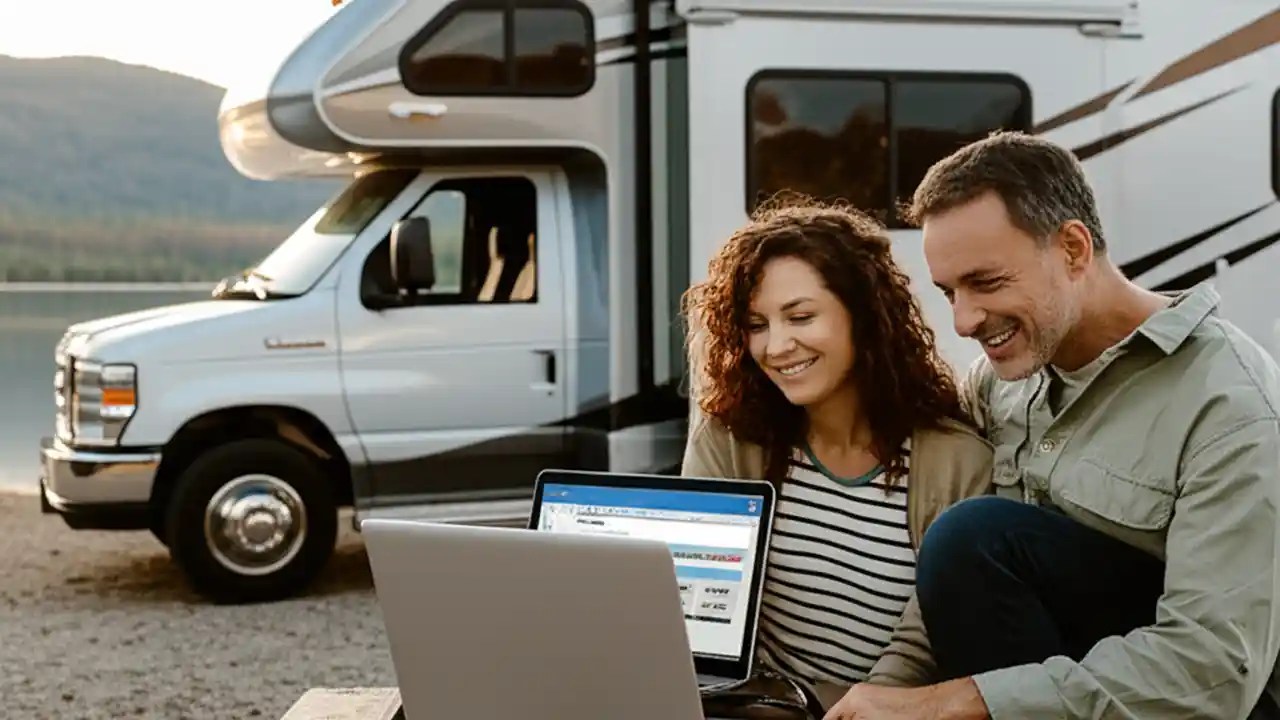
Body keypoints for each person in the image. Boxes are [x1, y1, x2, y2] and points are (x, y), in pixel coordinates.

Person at [824, 130, 1280, 720]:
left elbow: (1212, 672)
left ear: (1072, 249)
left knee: (973, 535)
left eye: (985, 283)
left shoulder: (1231, 406)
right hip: (1051, 692)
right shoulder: (998, 383)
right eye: (949, 291)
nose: (962, 320)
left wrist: (956, 703)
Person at [679, 199, 995, 714]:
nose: (776, 346)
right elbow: (700, 611)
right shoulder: (732, 439)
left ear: (864, 316)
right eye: (757, 324)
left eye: (800, 316)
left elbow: (921, 645)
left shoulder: (956, 461)